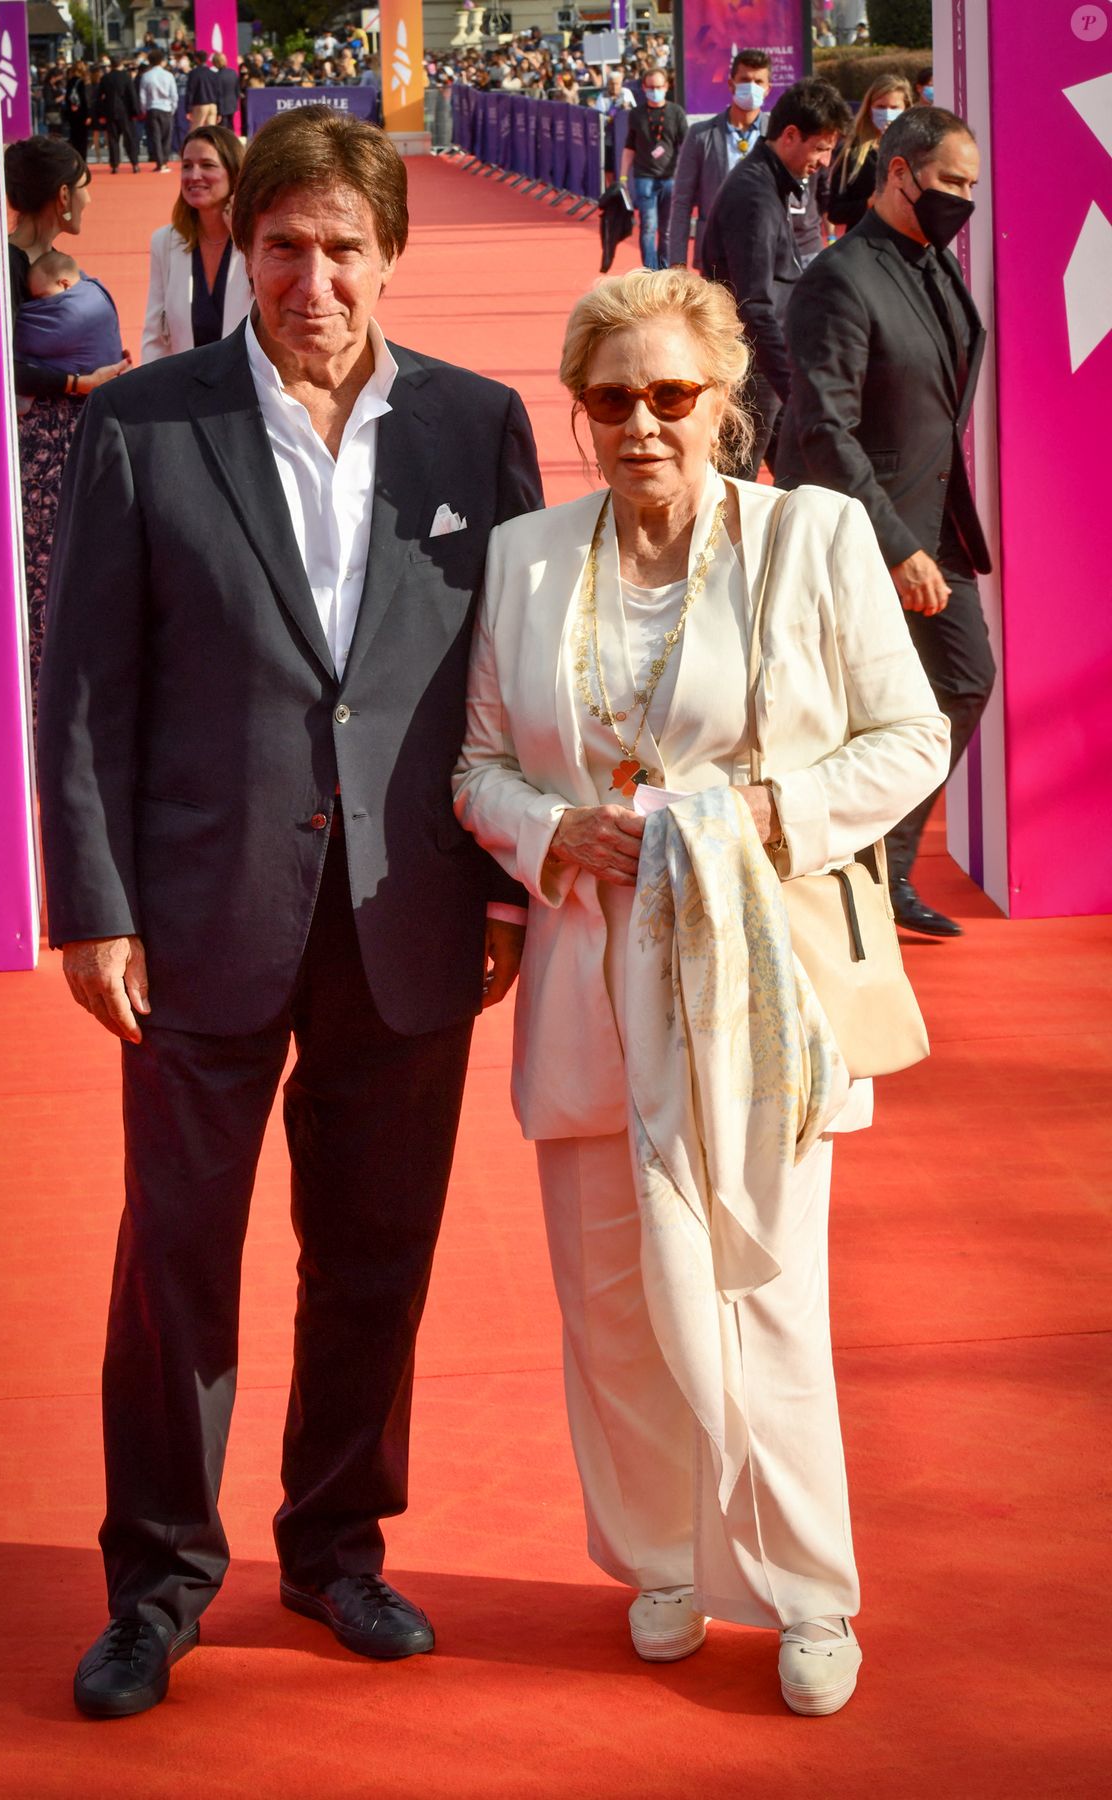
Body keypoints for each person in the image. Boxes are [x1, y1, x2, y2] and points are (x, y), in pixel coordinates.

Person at [37, 104, 543, 1721]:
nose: (310, 282)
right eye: (281, 248)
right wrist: (94, 906)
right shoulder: (147, 424)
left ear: (391, 255)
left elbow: (511, 681)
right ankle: (156, 1582)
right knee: (175, 1261)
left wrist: (509, 889)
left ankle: (336, 1547)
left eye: (340, 250)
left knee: (376, 1253)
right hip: (199, 911)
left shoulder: (475, 427)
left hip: (409, 912)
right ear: (237, 247)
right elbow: (85, 686)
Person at [452, 266, 950, 1718]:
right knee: (610, 1299)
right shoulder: (527, 559)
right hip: (591, 970)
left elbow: (908, 737)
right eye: (613, 400)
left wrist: (760, 820)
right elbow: (479, 764)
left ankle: (809, 1590)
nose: (644, 425)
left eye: (673, 394)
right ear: (579, 412)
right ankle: (659, 1558)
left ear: (725, 403)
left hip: (757, 980)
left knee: (762, 1288)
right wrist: (555, 831)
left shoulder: (813, 537)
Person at [777, 107, 995, 938]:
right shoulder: (840, 278)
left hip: (934, 522)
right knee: (846, 711)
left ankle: (884, 864)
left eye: (972, 186)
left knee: (964, 681)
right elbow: (821, 430)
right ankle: (847, 874)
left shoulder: (934, 264)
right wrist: (895, 547)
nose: (962, 200)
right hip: (865, 533)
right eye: (951, 182)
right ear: (899, 172)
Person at [5, 137, 129, 705]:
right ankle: (40, 708)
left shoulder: (43, 261)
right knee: (45, 580)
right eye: (84, 187)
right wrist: (78, 383)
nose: (89, 200)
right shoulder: (6, 265)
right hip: (41, 450)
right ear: (61, 196)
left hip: (78, 438)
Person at [701, 78, 851, 476]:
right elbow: (754, 304)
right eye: (821, 148)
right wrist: (793, 384)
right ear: (790, 136)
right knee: (735, 486)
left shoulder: (770, 185)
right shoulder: (756, 196)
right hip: (754, 369)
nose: (825, 162)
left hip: (765, 364)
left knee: (805, 479)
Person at [141, 126, 250, 361]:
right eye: (187, 166)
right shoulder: (164, 242)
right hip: (186, 381)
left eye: (207, 165)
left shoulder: (256, 242)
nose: (194, 175)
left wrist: (243, 238)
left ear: (234, 173)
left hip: (249, 381)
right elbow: (155, 336)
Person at [666, 48, 771, 269]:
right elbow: (682, 201)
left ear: (767, 89)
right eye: (745, 80)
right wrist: (677, 261)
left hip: (767, 254)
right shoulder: (700, 135)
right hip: (715, 252)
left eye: (758, 82)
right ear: (731, 84)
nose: (752, 87)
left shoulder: (778, 135)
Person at [14, 251, 124, 416]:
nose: (38, 305)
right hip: (106, 397)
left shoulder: (72, 313)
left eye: (42, 297)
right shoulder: (95, 289)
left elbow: (19, 338)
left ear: (64, 284)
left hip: (85, 404)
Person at [619, 65, 687, 271]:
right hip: (644, 177)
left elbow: (686, 146)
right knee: (648, 226)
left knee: (667, 229)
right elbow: (629, 146)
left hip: (670, 177)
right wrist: (623, 177)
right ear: (643, 87)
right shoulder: (636, 114)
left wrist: (688, 177)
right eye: (650, 87)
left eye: (658, 86)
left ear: (666, 86)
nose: (654, 90)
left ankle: (665, 269)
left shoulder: (676, 112)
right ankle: (650, 270)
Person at [825, 75, 913, 234]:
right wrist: (868, 203)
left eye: (894, 108)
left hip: (906, 240)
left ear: (906, 109)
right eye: (880, 107)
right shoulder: (852, 151)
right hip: (864, 239)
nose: (887, 113)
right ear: (869, 109)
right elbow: (835, 212)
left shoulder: (916, 149)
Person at [96, 54, 141, 173]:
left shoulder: (105, 78)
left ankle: (115, 165)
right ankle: (135, 163)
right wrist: (135, 111)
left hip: (110, 111)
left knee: (113, 139)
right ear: (121, 63)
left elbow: (99, 97)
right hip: (125, 112)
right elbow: (132, 95)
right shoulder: (126, 77)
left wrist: (101, 113)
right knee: (130, 138)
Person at [139, 46, 178, 172]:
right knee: (167, 136)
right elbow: (174, 94)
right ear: (161, 61)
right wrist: (173, 108)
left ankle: (159, 162)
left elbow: (142, 96)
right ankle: (164, 162)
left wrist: (144, 109)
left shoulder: (146, 76)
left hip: (152, 108)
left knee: (155, 136)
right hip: (166, 108)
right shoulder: (168, 75)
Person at [64, 60, 92, 161]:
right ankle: (82, 160)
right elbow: (85, 99)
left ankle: (75, 160)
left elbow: (67, 98)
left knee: (74, 137)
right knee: (83, 139)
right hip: (82, 113)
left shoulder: (70, 82)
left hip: (72, 113)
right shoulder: (82, 82)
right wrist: (88, 115)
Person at [184, 48, 220, 129]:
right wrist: (219, 109)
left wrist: (188, 109)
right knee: (211, 130)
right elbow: (218, 92)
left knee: (196, 129)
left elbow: (190, 91)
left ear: (196, 59)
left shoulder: (194, 73)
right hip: (213, 105)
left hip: (200, 104)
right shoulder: (213, 74)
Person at [213, 49, 240, 131]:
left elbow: (218, 94)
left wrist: (219, 110)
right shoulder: (233, 73)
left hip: (222, 106)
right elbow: (237, 91)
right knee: (231, 126)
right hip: (232, 104)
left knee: (223, 129)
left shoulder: (217, 76)